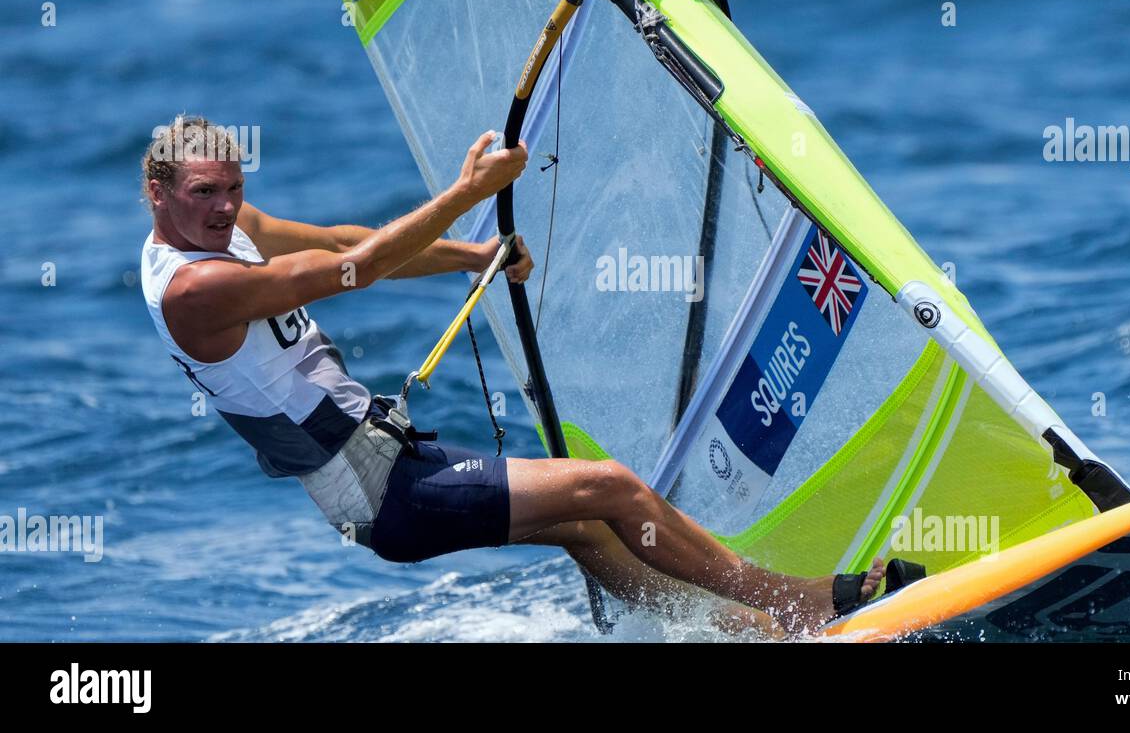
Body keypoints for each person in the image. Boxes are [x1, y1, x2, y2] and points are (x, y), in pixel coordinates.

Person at [139, 116, 884, 637]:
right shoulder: (193, 291)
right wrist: (467, 193)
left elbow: (340, 239)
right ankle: (796, 605)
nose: (226, 206)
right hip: (378, 489)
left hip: (389, 463)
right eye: (204, 192)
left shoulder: (226, 229)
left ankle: (747, 631)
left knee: (588, 527)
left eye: (232, 188)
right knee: (610, 486)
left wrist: (473, 253)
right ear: (158, 193)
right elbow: (352, 268)